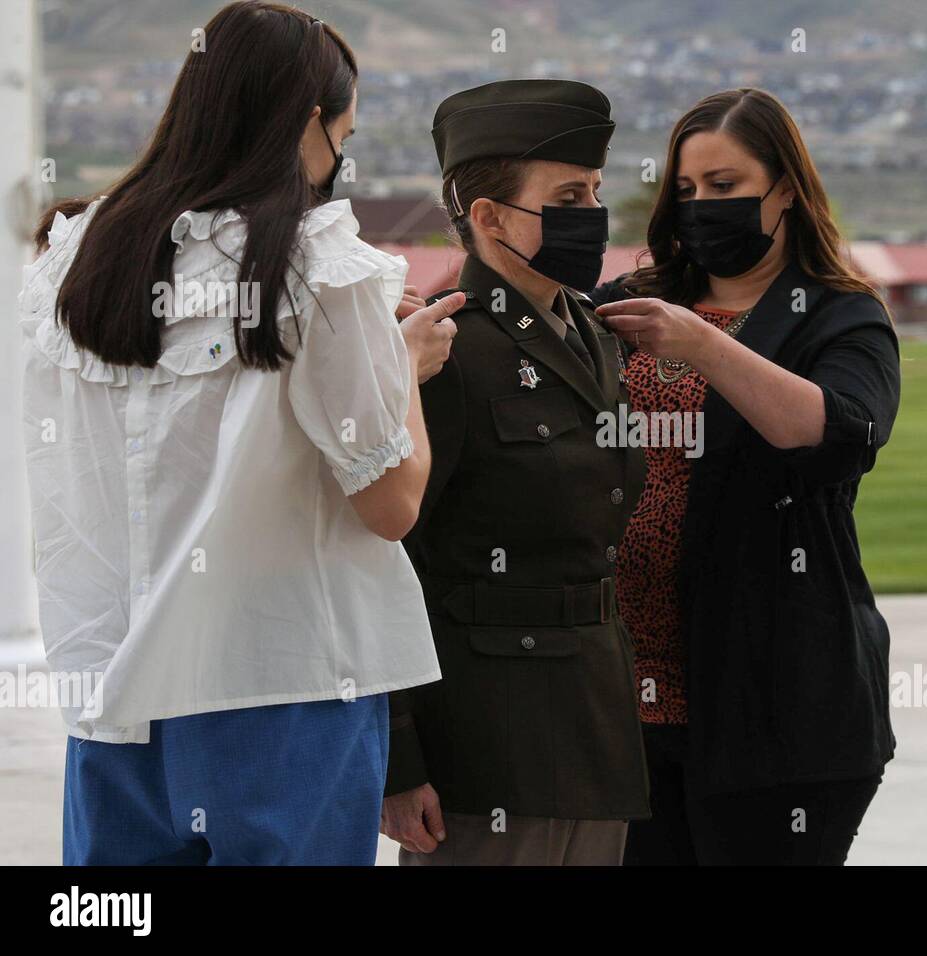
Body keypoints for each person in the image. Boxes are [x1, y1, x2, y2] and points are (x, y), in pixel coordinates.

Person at [20, 1, 459, 865]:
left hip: (111, 695)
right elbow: (391, 501)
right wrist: (400, 369)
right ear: (308, 125)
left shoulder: (73, 263)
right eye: (344, 133)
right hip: (283, 686)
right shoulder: (323, 267)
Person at [590, 88, 902, 865]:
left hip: (778, 706)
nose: (701, 206)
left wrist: (702, 345)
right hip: (627, 701)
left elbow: (835, 435)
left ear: (787, 188)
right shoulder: (629, 305)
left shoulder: (842, 316)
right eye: (687, 190)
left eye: (725, 187)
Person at [379, 79, 649, 867]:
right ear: (489, 218)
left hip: (592, 728)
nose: (592, 214)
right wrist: (401, 761)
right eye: (567, 195)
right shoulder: (445, 349)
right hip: (483, 744)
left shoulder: (591, 332)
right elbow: (388, 557)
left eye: (596, 191)